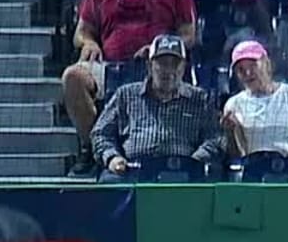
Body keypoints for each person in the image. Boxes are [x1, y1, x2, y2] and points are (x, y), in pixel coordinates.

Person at [64, 0, 197, 176]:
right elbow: (81, 33)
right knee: (73, 78)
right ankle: (96, 150)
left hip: (156, 66)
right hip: (109, 66)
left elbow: (188, 35)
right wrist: (90, 42)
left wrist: (158, 48)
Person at [90, 34, 225, 183]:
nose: (168, 70)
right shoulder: (126, 94)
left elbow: (214, 138)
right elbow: (100, 133)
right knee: (109, 181)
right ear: (149, 65)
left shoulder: (200, 99)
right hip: (134, 171)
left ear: (184, 67)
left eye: (174, 64)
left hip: (183, 173)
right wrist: (112, 157)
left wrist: (196, 161)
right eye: (162, 63)